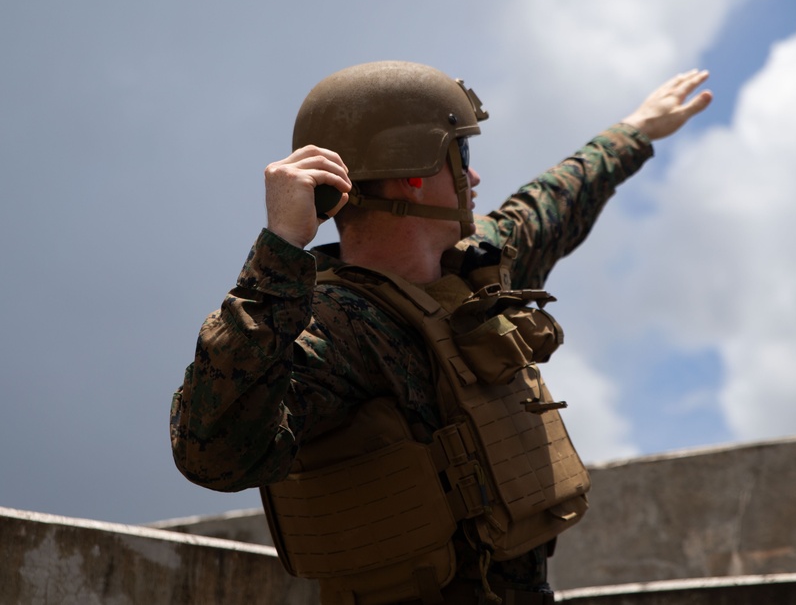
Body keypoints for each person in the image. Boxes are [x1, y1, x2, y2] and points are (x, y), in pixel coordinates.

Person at [170, 61, 712, 605]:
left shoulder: (475, 270)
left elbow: (555, 200)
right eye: (461, 155)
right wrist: (279, 251)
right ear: (414, 171)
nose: (473, 177)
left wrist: (636, 129)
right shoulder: (332, 325)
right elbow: (212, 452)